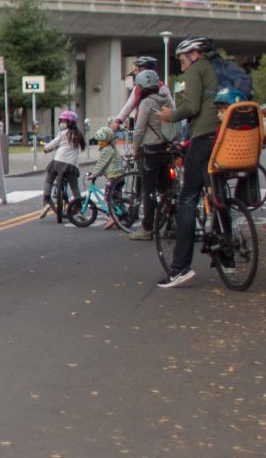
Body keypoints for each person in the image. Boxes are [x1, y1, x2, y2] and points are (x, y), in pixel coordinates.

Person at [156, 35, 222, 288]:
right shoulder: (216, 69)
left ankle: (180, 267)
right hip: (222, 136)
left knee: (187, 198)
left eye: (182, 61)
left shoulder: (197, 70)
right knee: (217, 195)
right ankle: (227, 254)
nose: (182, 67)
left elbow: (192, 107)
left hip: (204, 136)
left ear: (194, 54)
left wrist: (171, 115)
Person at [125, 69, 181, 242]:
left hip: (150, 149)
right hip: (167, 148)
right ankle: (172, 225)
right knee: (167, 189)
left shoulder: (146, 103)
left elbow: (139, 129)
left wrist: (135, 148)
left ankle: (147, 228)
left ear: (142, 87)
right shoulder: (167, 100)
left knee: (148, 190)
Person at [40, 110, 85, 223]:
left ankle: (46, 202)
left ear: (69, 123)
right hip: (71, 165)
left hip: (58, 162)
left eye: (64, 121)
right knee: (75, 188)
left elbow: (53, 143)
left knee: (48, 180)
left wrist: (46, 148)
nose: (62, 123)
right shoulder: (79, 134)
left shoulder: (63, 133)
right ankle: (79, 210)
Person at [108, 56, 174, 131]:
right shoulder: (137, 88)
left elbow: (171, 106)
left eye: (136, 70)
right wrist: (118, 121)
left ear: (144, 71)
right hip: (143, 127)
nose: (134, 73)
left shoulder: (161, 87)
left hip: (159, 129)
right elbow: (128, 106)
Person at [88, 125, 125, 230]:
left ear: (107, 140)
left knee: (107, 197)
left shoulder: (107, 150)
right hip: (120, 176)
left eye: (102, 141)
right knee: (116, 198)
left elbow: (101, 164)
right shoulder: (112, 148)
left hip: (113, 177)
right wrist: (98, 174)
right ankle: (123, 213)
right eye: (98, 141)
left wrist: (94, 174)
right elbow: (106, 166)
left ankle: (112, 216)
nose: (100, 143)